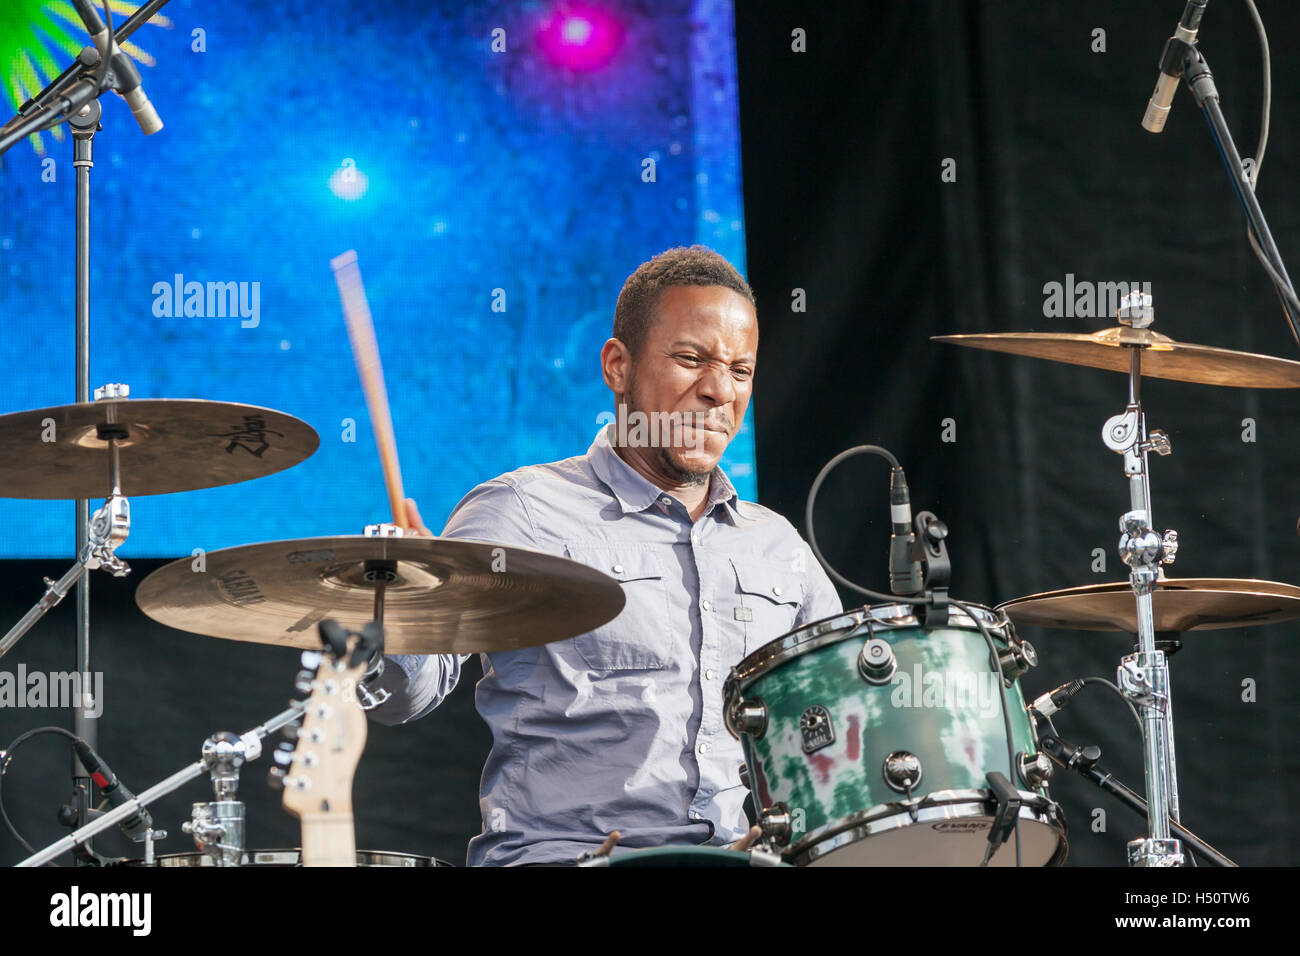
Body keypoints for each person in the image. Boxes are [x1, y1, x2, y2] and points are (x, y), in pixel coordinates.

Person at [366, 245, 842, 865]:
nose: (719, 390)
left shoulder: (778, 546)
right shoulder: (521, 509)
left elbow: (835, 729)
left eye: (741, 370)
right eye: (691, 359)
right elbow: (405, 698)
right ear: (618, 365)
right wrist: (395, 602)